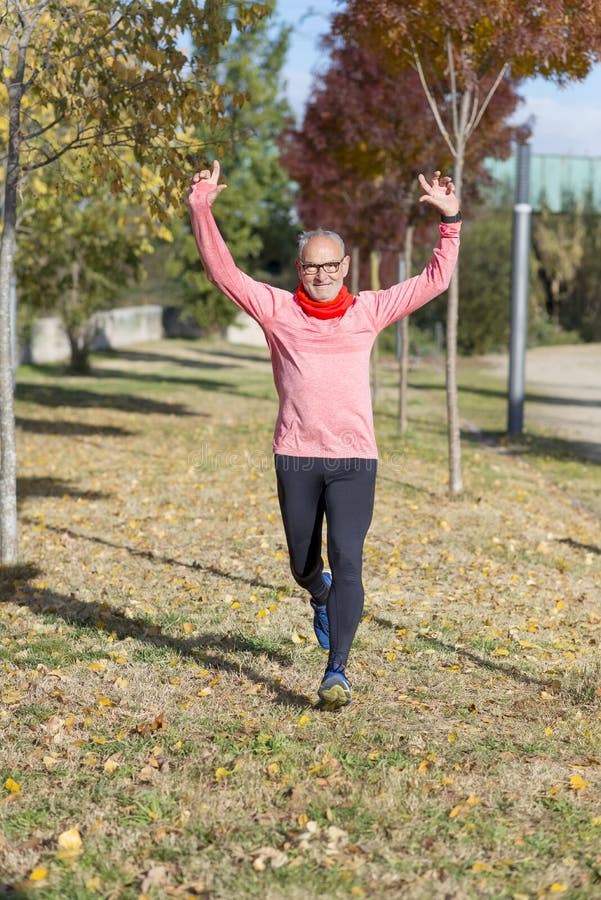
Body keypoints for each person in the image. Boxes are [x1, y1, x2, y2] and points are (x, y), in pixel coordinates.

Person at [188, 161, 461, 710]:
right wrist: (201, 209)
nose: (322, 275)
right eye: (312, 268)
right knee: (302, 562)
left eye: (331, 266)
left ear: (344, 266)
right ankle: (318, 593)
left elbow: (436, 279)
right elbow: (225, 274)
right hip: (295, 454)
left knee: (350, 556)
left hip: (355, 458)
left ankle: (336, 671)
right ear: (299, 268)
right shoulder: (277, 310)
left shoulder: (367, 311)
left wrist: (450, 223)